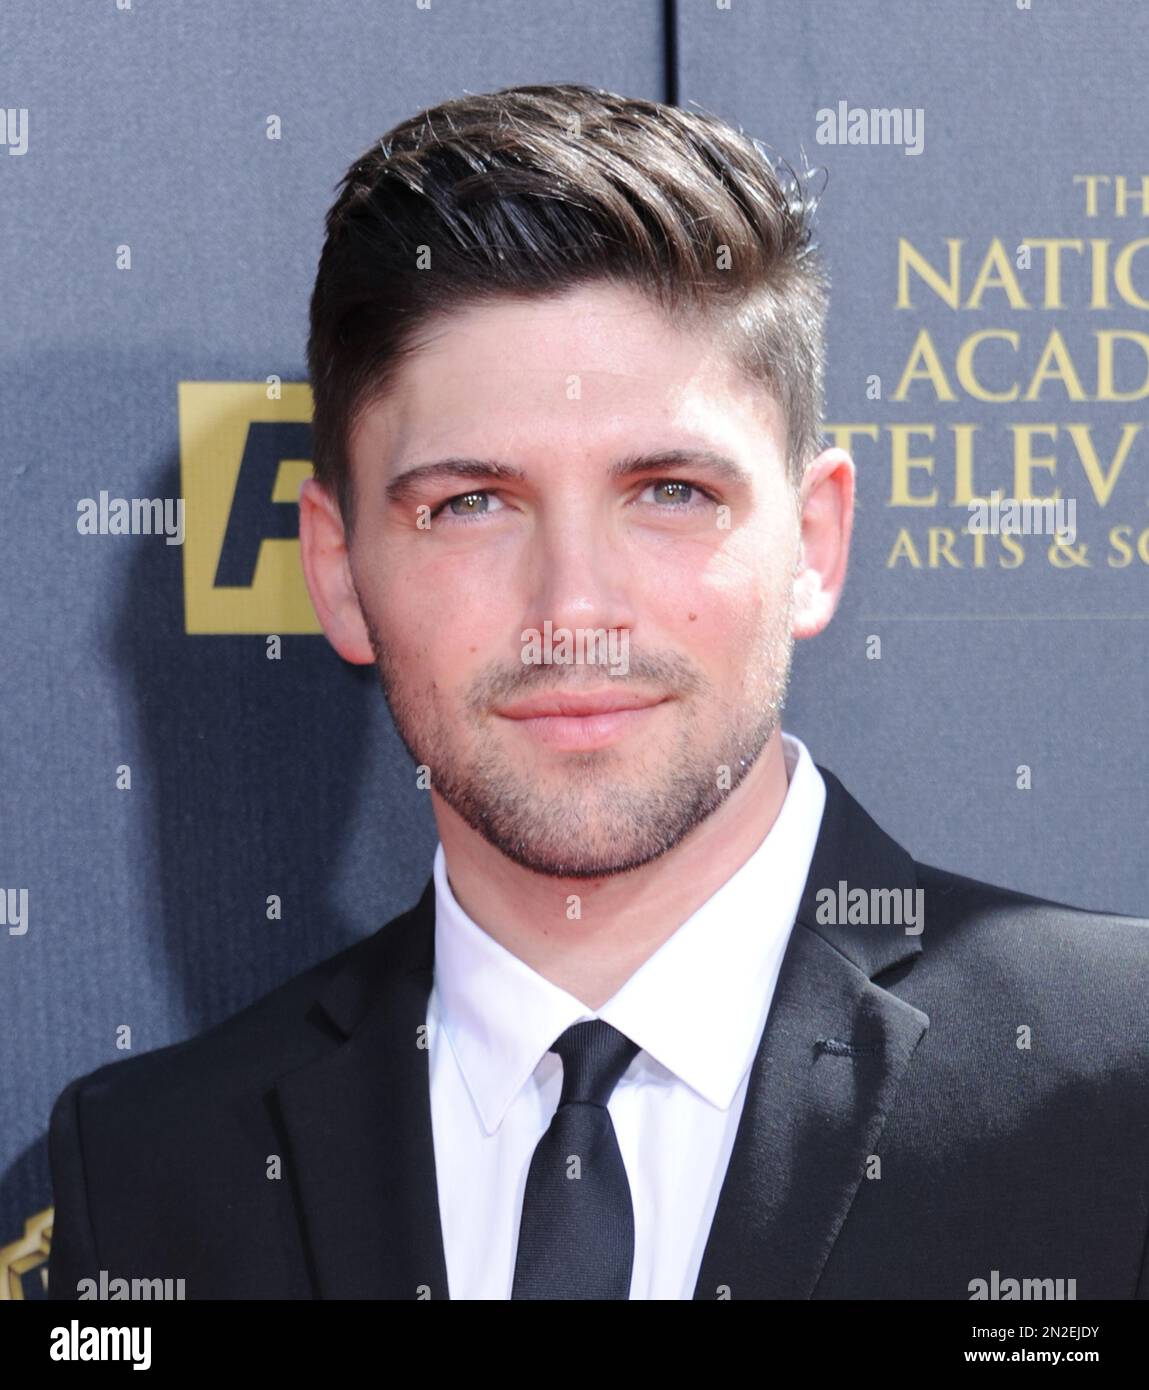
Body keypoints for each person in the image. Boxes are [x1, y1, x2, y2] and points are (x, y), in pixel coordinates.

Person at [48, 82, 1149, 1301]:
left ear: (817, 542)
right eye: (470, 503)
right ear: (338, 570)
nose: (574, 609)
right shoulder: (153, 1172)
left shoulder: (1119, 1079)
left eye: (671, 490)